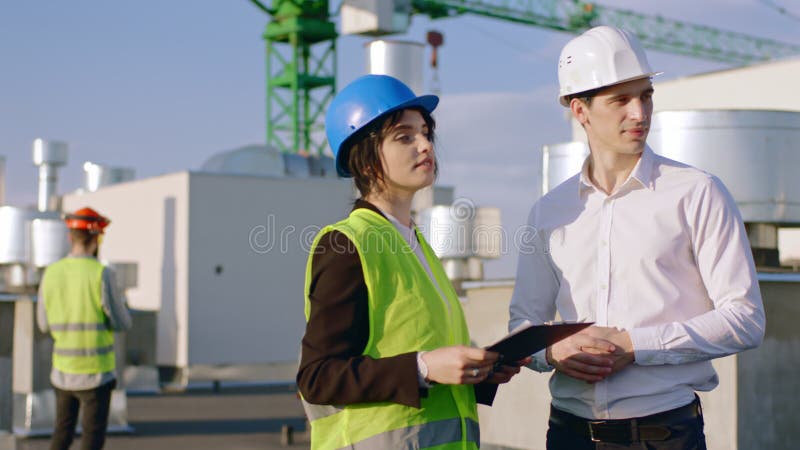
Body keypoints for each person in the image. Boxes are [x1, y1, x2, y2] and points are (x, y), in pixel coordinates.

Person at [509, 26, 765, 449]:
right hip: (568, 434)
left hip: (665, 435)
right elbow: (522, 325)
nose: (639, 113)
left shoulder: (697, 192)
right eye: (621, 100)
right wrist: (553, 352)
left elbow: (745, 319)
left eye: (645, 96)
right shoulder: (548, 211)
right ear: (580, 111)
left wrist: (635, 345)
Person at [297, 74, 528, 449]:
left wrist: (479, 370)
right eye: (405, 137)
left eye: (425, 132)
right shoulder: (347, 244)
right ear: (366, 158)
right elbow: (317, 378)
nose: (424, 145)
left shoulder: (417, 246)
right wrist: (423, 368)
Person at [37, 207, 132, 450]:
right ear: (98, 238)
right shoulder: (102, 274)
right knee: (92, 438)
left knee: (61, 434)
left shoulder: (51, 273)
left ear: (70, 237)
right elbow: (123, 322)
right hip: (96, 374)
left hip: (62, 371)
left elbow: (43, 323)